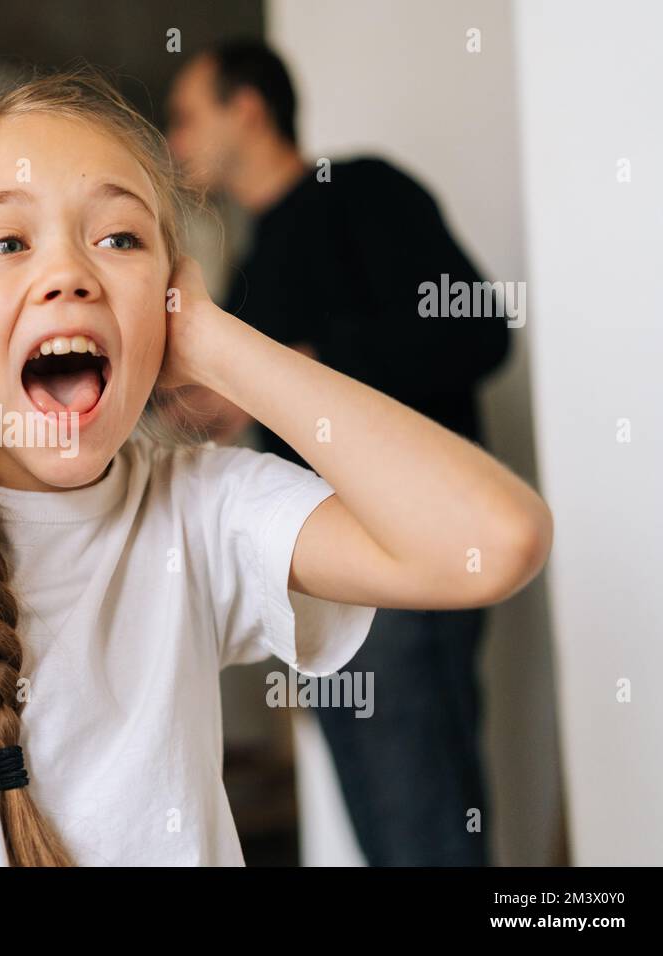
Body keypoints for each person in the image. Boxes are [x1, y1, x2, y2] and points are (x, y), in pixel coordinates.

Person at [0, 69, 551, 866]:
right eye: (7, 244)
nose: (69, 272)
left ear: (171, 298)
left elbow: (495, 540)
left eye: (122, 239)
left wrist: (215, 343)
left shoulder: (205, 509)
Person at [166, 40, 513, 864]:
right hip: (320, 566)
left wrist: (306, 365)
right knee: (382, 818)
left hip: (412, 549)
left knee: (419, 817)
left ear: (246, 108)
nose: (173, 143)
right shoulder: (247, 267)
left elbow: (478, 331)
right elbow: (275, 418)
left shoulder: (362, 192)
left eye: (185, 117)